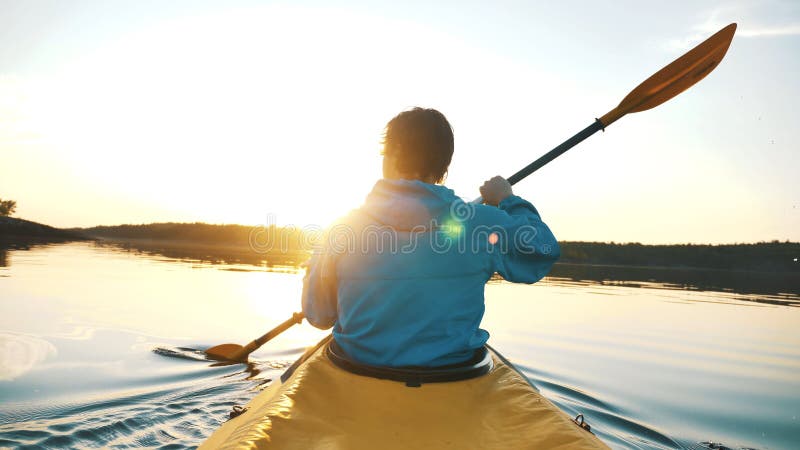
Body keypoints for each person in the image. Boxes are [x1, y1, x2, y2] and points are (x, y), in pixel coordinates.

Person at [302, 107, 559, 368]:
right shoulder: (482, 223)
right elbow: (543, 249)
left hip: (358, 370)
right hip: (451, 375)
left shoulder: (342, 229)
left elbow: (318, 315)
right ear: (444, 166)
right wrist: (508, 199)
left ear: (391, 156)